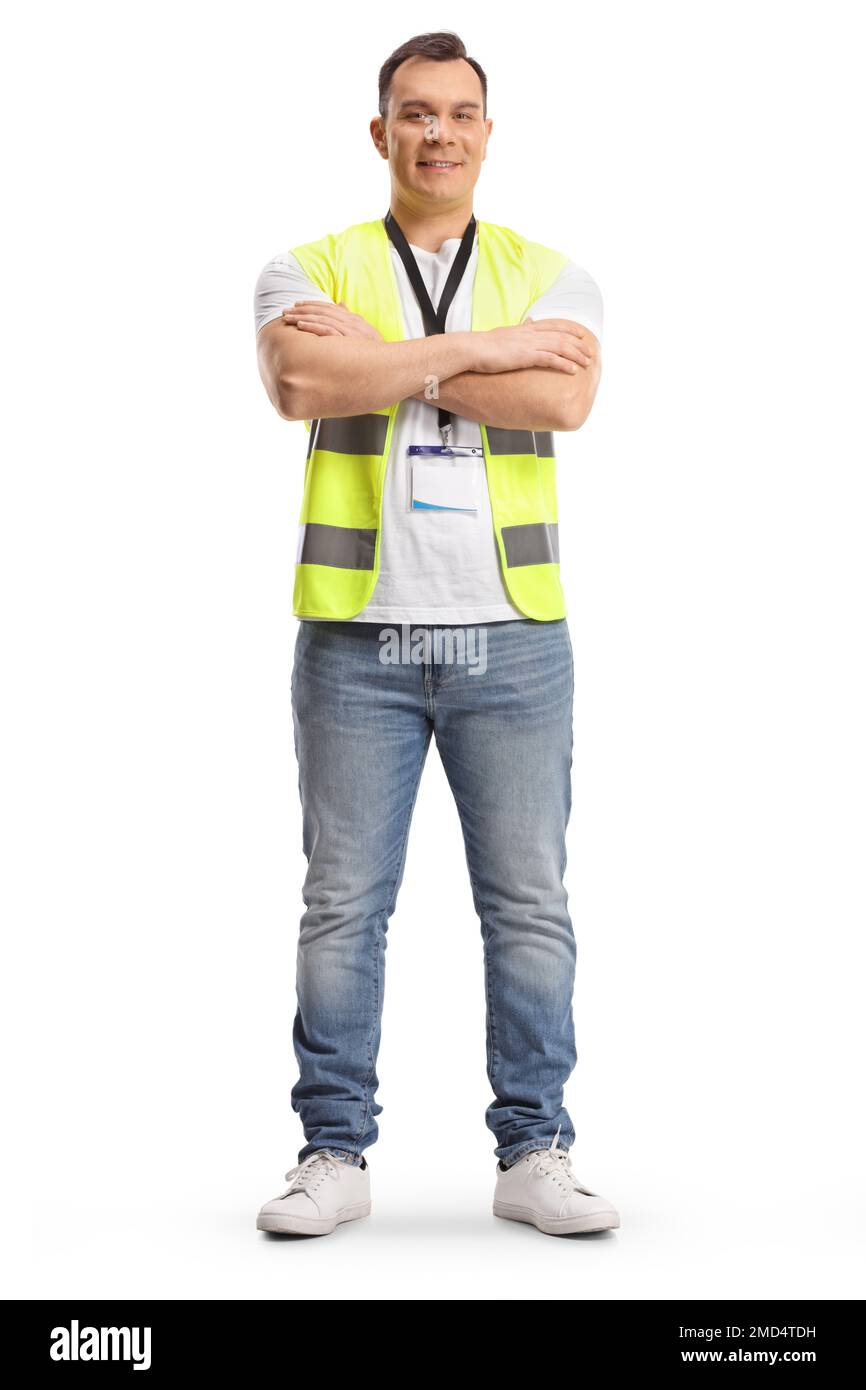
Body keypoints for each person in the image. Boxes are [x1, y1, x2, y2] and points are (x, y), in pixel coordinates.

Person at [253, 30, 619, 1239]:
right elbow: (302, 385)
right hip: (356, 639)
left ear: (485, 132)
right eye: (415, 114)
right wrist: (479, 350)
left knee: (527, 904)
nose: (438, 133)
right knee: (341, 905)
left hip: (510, 636)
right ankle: (332, 1151)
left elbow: (561, 396)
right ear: (380, 133)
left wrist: (392, 362)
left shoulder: (549, 272)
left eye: (459, 114)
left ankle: (534, 1151)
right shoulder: (307, 264)